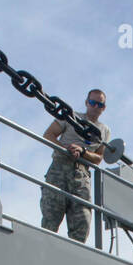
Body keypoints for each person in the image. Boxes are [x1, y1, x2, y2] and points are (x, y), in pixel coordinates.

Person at [40, 90, 111, 242]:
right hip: (59, 169)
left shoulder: (104, 131)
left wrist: (83, 152)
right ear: (86, 103)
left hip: (81, 176)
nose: (95, 107)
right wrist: (65, 149)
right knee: (50, 219)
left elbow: (98, 158)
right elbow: (49, 135)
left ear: (103, 108)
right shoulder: (71, 117)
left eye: (99, 104)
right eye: (92, 103)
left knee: (81, 224)